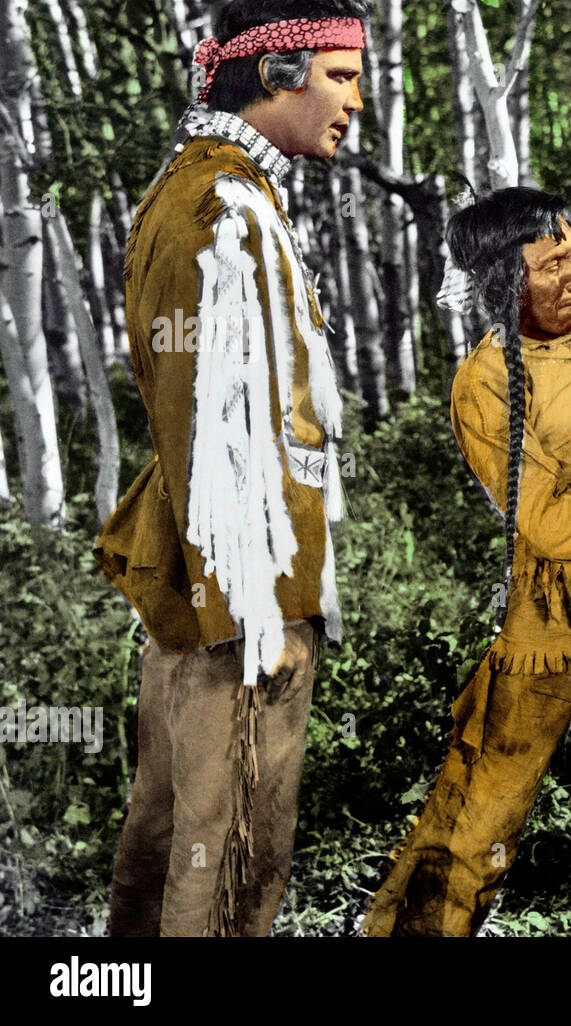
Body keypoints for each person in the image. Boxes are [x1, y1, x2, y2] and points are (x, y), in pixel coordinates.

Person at [94, 0, 371, 936]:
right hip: (239, 605)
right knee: (232, 852)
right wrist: (263, 614)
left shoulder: (217, 192)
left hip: (211, 589)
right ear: (276, 73)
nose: (356, 101)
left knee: (174, 837)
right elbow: (207, 427)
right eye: (340, 76)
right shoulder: (221, 209)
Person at [362, 187, 571, 936]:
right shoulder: (482, 384)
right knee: (481, 798)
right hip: (555, 617)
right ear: (508, 284)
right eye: (554, 264)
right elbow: (554, 523)